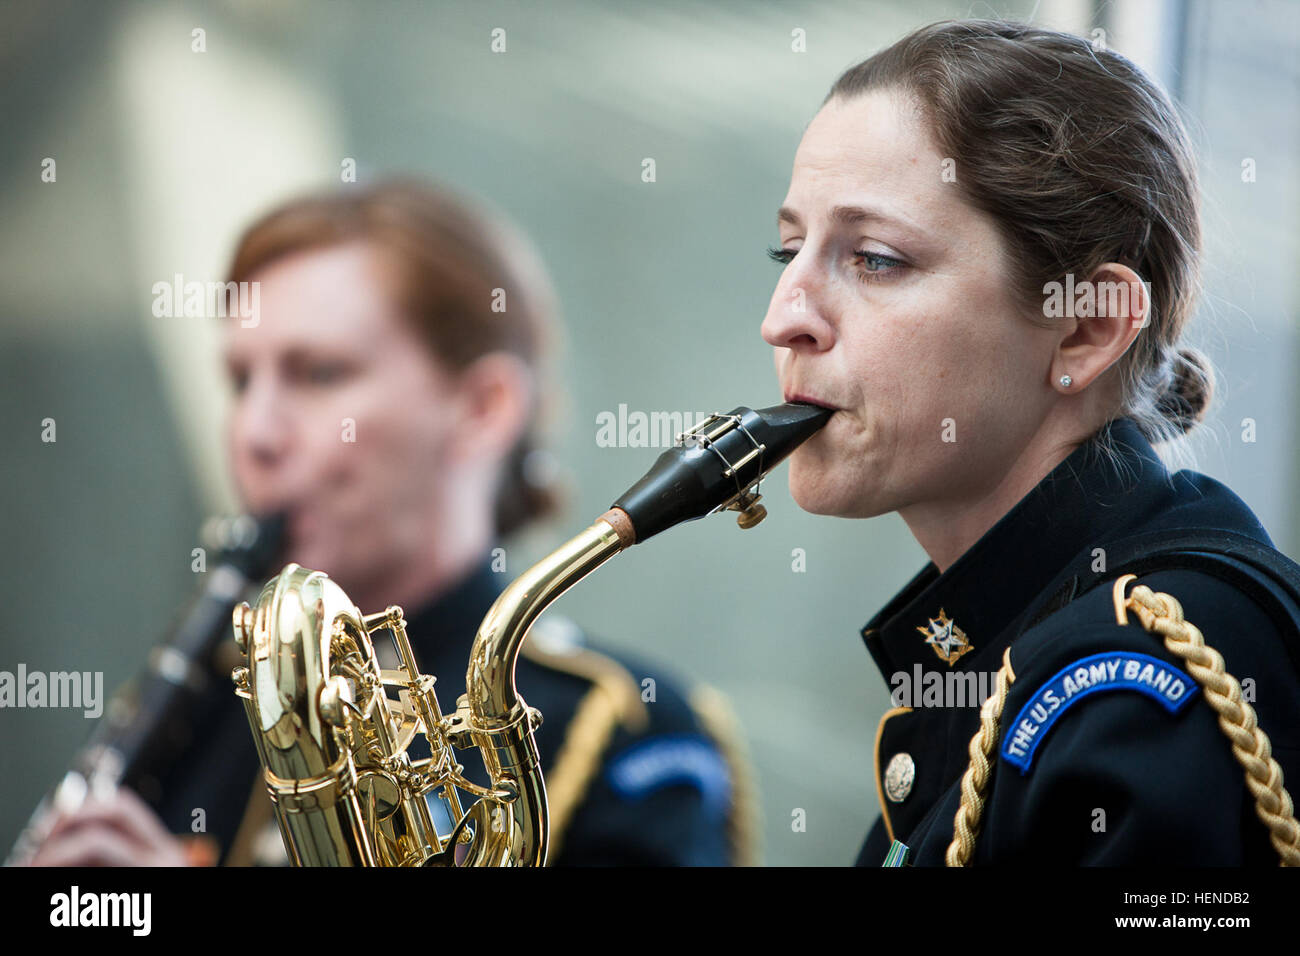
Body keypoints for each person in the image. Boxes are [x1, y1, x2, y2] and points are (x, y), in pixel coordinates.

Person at [28, 179, 754, 867]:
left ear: (483, 408)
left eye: (318, 373)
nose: (254, 431)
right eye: (240, 382)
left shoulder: (621, 732)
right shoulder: (214, 697)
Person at [760, 20, 1300, 866]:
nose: (782, 318)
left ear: (1084, 328)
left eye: (873, 258)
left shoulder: (1139, 672)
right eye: (788, 251)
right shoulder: (1036, 641)